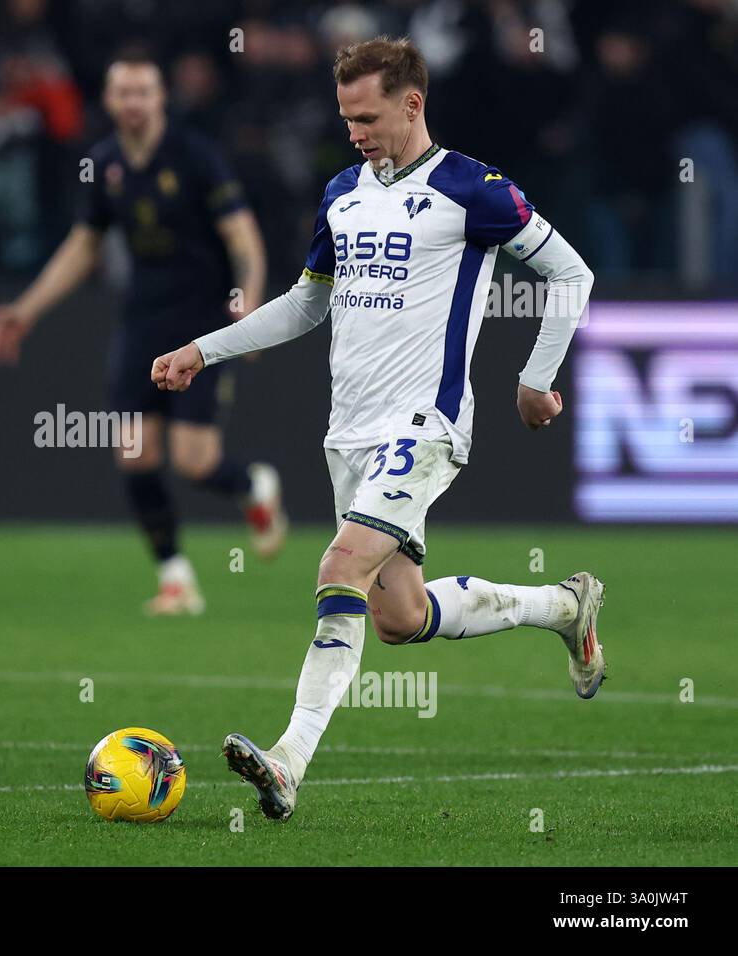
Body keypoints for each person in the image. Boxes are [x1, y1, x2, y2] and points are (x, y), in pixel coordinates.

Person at [151, 36, 604, 820]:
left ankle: (289, 760)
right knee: (397, 616)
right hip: (350, 436)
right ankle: (565, 607)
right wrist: (204, 349)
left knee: (340, 565)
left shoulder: (474, 189)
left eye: (366, 116)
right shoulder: (342, 192)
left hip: (426, 424)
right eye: (345, 117)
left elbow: (571, 272)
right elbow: (306, 302)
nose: (354, 131)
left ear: (412, 103)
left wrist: (535, 379)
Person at [0, 51, 286, 616]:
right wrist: (25, 311)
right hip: (142, 321)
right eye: (124, 93)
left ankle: (253, 487)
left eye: (144, 91)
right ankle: (176, 579)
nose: (135, 102)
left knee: (194, 462)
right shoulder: (103, 164)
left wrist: (247, 302)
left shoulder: (196, 157)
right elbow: (82, 246)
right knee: (133, 452)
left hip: (201, 325)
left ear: (160, 97)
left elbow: (243, 236)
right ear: (110, 100)